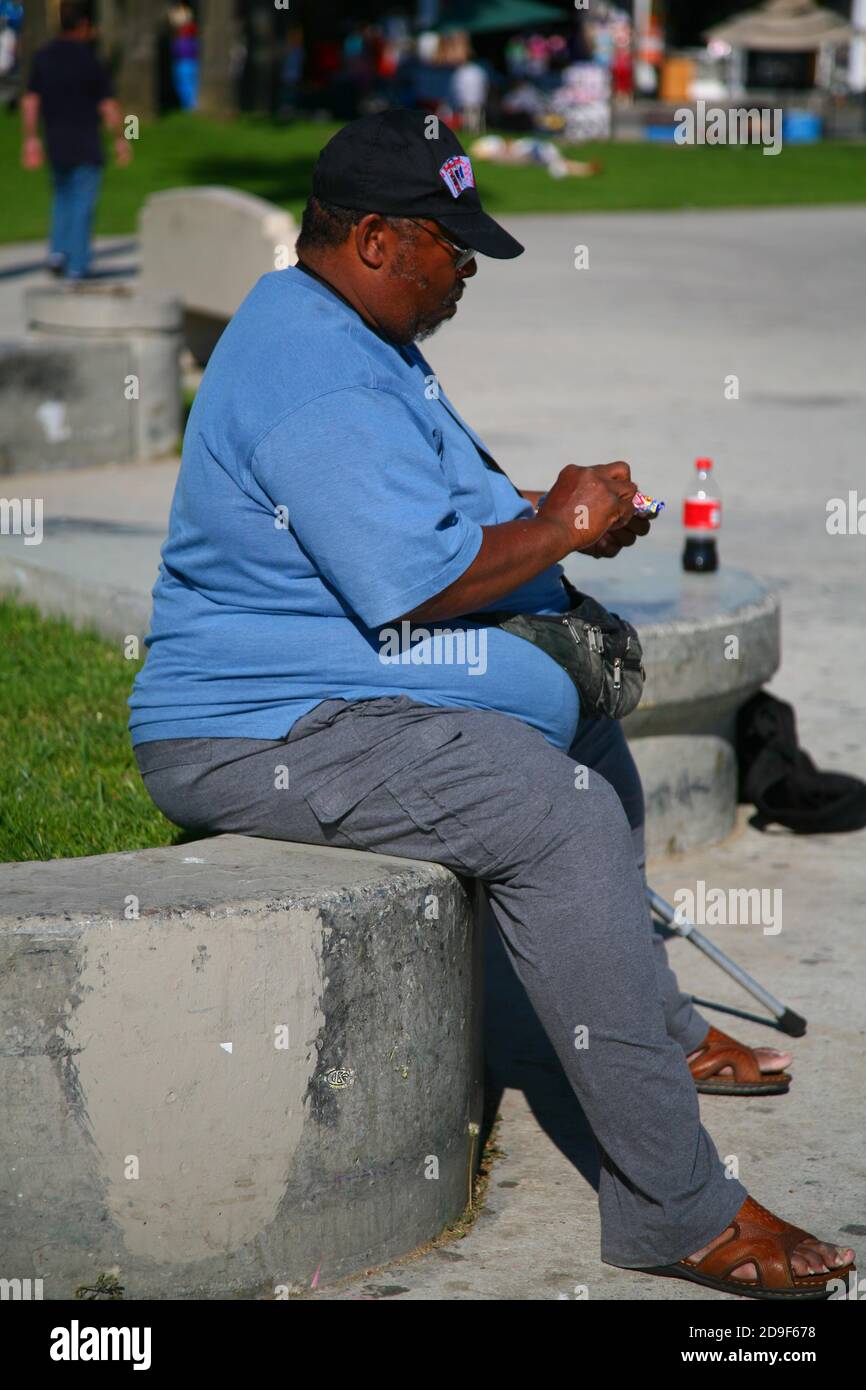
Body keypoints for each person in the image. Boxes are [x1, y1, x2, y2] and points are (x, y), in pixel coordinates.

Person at [128, 109, 855, 1299]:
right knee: (557, 812)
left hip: (332, 688)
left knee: (578, 715)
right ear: (372, 238)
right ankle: (678, 1209)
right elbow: (409, 577)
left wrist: (558, 511)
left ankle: (654, 1027)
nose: (465, 268)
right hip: (258, 731)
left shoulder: (344, 324)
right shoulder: (319, 376)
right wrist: (555, 530)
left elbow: (411, 505)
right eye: (447, 246)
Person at [21, 0, 131, 281]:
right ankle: (77, 265)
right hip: (87, 144)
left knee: (61, 198)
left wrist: (31, 139)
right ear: (83, 26)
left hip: (56, 142)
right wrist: (125, 138)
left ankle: (58, 252)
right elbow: (110, 106)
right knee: (82, 203)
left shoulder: (43, 57)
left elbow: (31, 100)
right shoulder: (92, 59)